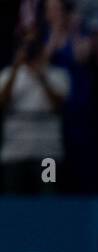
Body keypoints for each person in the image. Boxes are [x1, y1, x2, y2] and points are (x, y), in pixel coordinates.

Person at [0, 28, 70, 194]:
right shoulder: (7, 74)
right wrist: (17, 67)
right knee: (13, 199)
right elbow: (2, 103)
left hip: (48, 153)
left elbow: (59, 105)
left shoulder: (57, 74)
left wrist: (41, 75)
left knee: (49, 193)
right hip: (15, 152)